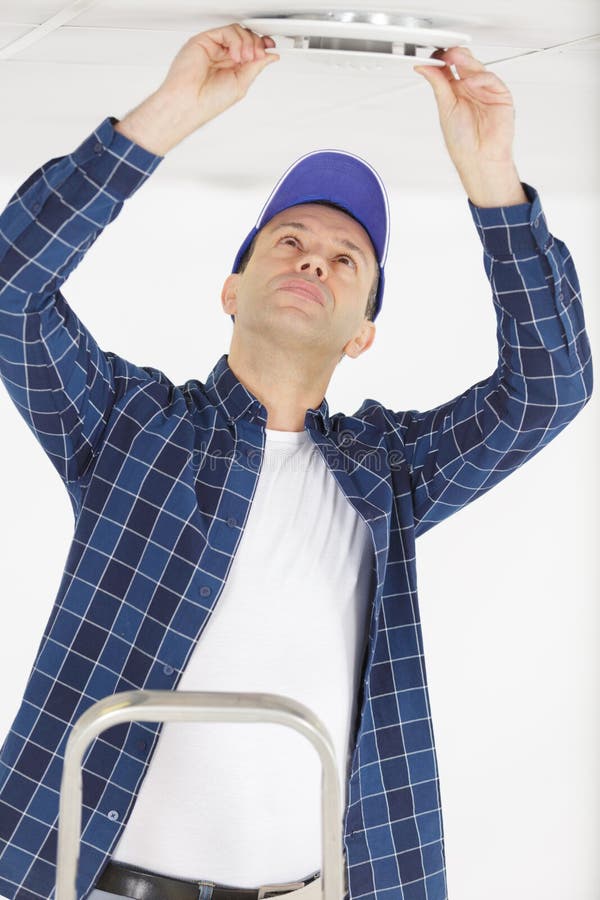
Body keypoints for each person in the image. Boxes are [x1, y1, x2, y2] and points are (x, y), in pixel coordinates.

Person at [0, 21, 592, 900]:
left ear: (362, 335)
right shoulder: (128, 428)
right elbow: (11, 285)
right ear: (231, 290)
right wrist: (169, 112)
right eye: (289, 239)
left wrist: (491, 177)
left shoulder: (387, 472)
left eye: (346, 259)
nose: (316, 255)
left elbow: (550, 387)